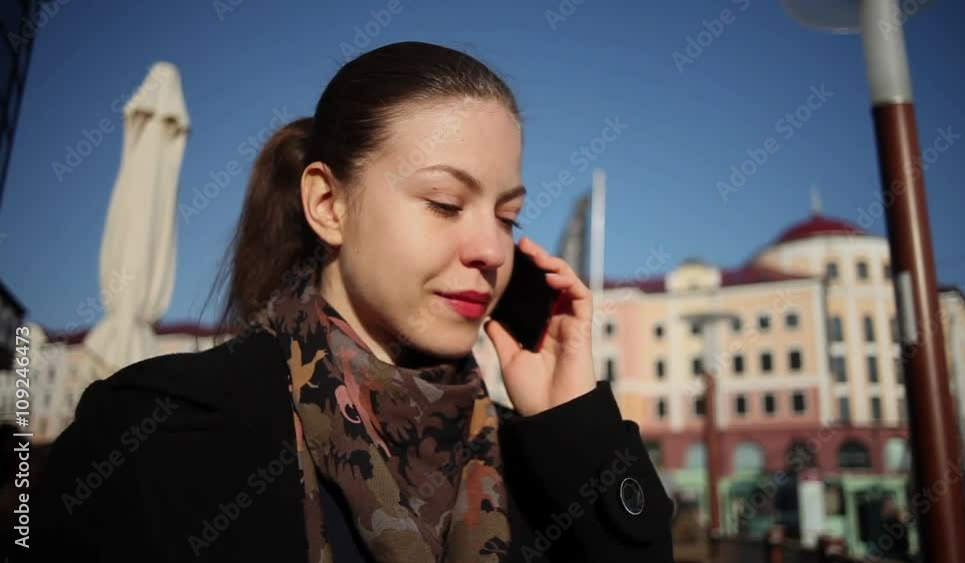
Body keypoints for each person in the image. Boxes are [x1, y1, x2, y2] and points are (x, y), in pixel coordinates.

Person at [30, 42, 675, 562]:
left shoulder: (544, 459)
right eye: (446, 203)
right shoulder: (152, 434)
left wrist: (574, 427)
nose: (493, 249)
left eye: (508, 215)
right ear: (328, 205)